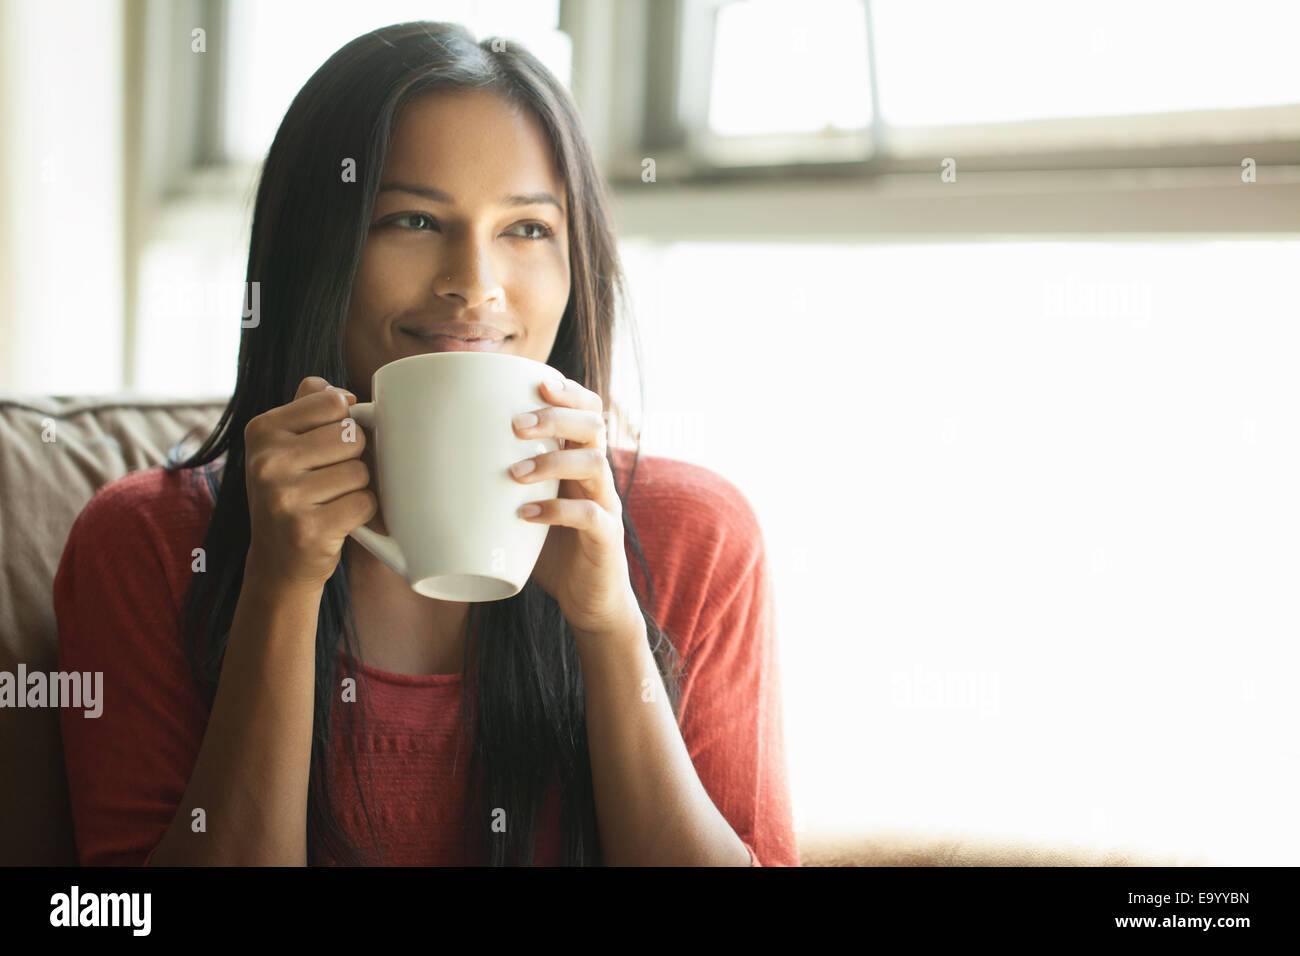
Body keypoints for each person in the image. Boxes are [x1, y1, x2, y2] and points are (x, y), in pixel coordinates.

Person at [54, 20, 798, 866]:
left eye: (526, 229)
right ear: (315, 250)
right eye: (410, 218)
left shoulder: (696, 539)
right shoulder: (146, 546)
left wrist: (611, 627)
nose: (474, 284)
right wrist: (280, 591)